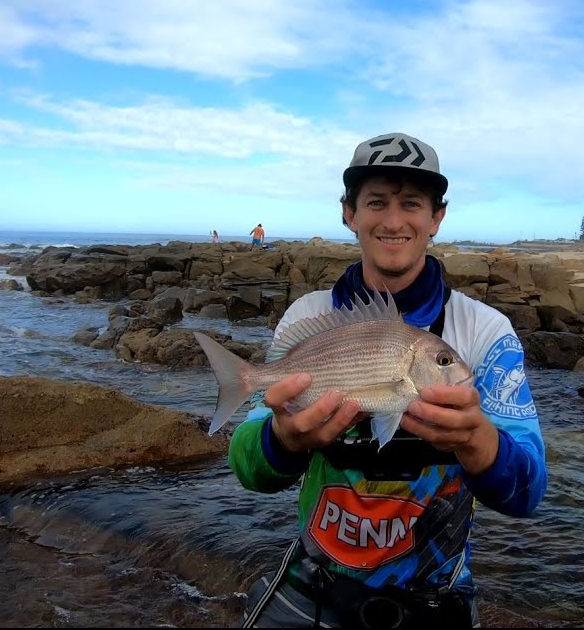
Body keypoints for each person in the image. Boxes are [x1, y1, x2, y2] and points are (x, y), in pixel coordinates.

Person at [229, 132, 548, 628]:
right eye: (376, 202)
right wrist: (281, 438)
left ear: (436, 217)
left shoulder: (485, 333)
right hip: (317, 581)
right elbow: (248, 467)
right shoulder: (305, 317)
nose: (394, 220)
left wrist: (479, 440)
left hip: (436, 592)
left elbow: (528, 493)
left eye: (412, 204)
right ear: (348, 213)